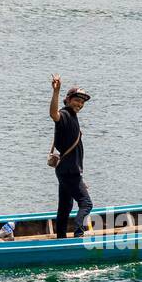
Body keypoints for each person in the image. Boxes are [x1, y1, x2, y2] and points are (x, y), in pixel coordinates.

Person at [49, 75, 94, 239]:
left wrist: (81, 178)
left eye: (82, 103)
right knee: (86, 204)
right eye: (77, 101)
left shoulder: (73, 117)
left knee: (65, 207)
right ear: (67, 100)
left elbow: (74, 151)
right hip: (69, 172)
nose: (80, 104)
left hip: (67, 171)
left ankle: (60, 238)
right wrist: (56, 92)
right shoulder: (65, 115)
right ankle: (79, 234)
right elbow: (53, 114)